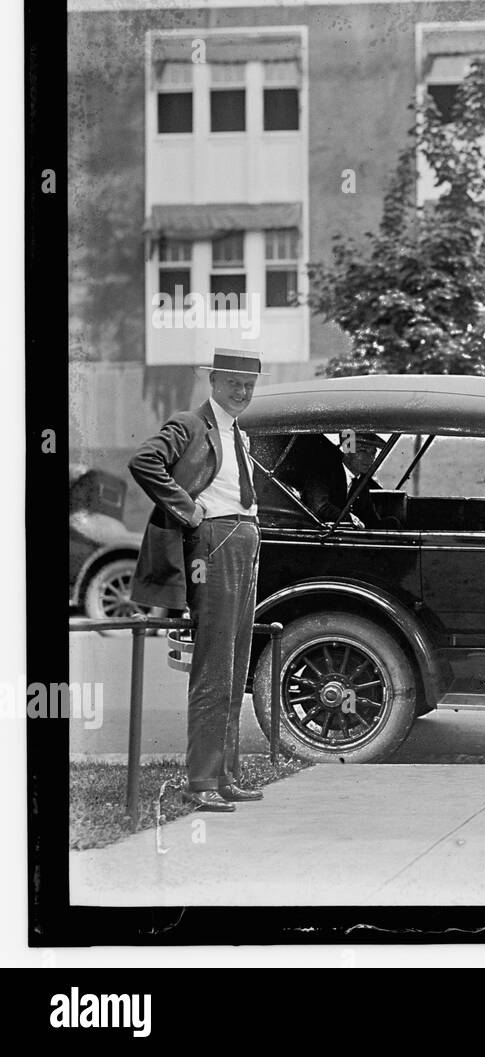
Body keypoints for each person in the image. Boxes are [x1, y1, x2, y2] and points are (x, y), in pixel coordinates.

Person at [128, 348, 264, 813]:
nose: (242, 392)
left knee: (235, 664)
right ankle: (201, 780)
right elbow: (144, 462)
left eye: (249, 385)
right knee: (214, 665)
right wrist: (188, 509)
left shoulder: (236, 431)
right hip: (215, 541)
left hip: (245, 540)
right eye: (234, 384)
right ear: (214, 381)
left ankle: (223, 775)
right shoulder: (190, 423)